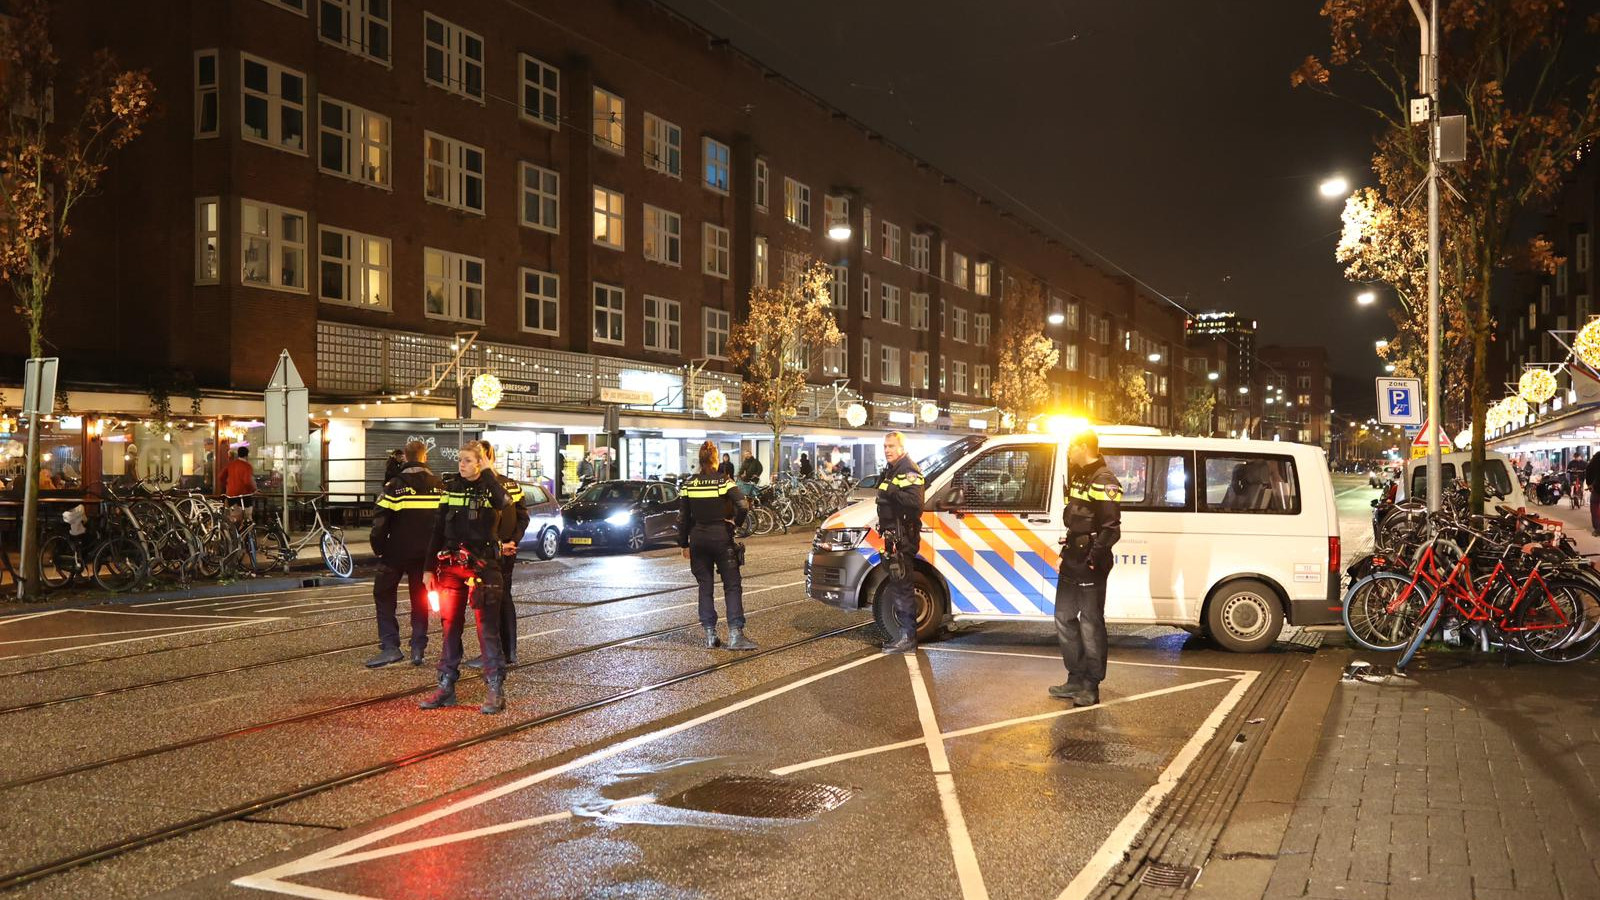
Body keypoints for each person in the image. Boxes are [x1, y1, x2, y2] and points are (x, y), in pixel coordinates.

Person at [420, 443, 515, 715]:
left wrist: (487, 473)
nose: (461, 464)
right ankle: (446, 685)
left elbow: (503, 504)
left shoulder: (493, 487)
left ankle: (495, 689)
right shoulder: (451, 488)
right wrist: (428, 569)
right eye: (460, 460)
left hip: (483, 568)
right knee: (450, 628)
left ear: (480, 463)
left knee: (487, 630)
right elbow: (437, 529)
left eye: (467, 460)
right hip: (451, 567)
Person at [1050, 429, 1123, 708]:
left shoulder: (1104, 480)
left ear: (1084, 446)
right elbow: (1076, 522)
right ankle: (1075, 677)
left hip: (1090, 562)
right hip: (1072, 558)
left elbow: (1110, 530)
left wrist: (1093, 558)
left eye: (1072, 446)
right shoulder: (1080, 475)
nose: (1069, 450)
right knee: (1064, 618)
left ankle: (1091, 684)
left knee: (1091, 624)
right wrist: (1064, 552)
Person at [366, 440, 444, 668]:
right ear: (424, 457)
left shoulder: (394, 486)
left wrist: (378, 548)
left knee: (383, 594)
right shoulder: (439, 485)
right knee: (419, 598)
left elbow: (380, 522)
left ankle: (390, 647)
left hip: (395, 553)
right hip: (426, 555)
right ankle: (418, 647)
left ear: (405, 457)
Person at [678, 440, 754, 650]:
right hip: (720, 537)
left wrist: (684, 544)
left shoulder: (688, 484)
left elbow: (683, 518)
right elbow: (743, 504)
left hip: (698, 539)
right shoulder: (723, 482)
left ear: (699, 460)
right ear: (716, 458)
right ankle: (736, 635)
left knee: (705, 586)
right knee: (732, 585)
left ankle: (710, 634)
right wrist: (734, 523)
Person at [466, 441, 530, 669]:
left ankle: (493, 652)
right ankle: (509, 651)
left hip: (491, 553)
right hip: (507, 551)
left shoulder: (486, 486)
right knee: (504, 598)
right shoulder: (511, 484)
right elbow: (523, 517)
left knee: (490, 601)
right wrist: (514, 539)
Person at [876, 431, 925, 654]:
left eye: (891, 446)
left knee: (903, 588)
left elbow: (915, 503)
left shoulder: (909, 470)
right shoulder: (893, 469)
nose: (887, 450)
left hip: (903, 537)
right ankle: (905, 636)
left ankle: (908, 639)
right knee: (898, 586)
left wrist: (893, 491)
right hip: (893, 536)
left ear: (902, 448)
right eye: (885, 446)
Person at [1585, 453, 1600, 536]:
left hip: (1596, 488)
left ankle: (1597, 528)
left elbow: (1588, 471)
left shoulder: (1594, 460)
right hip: (1596, 487)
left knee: (1595, 509)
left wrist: (1589, 484)